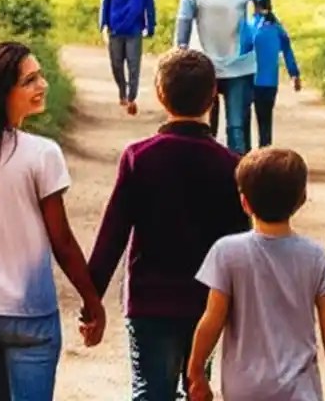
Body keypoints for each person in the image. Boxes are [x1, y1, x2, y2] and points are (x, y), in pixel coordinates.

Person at [0, 41, 107, 400]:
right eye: (29, 80)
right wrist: (92, 299)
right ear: (1, 92)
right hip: (29, 315)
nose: (42, 85)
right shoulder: (41, 154)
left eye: (40, 76)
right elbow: (62, 241)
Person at [87, 48, 249, 401]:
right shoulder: (229, 165)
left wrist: (91, 299)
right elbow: (241, 241)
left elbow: (112, 233)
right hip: (205, 304)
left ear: (160, 95)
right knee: (196, 386)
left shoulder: (139, 157)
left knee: (151, 392)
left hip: (149, 302)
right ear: (212, 96)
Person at [185, 148, 325, 401]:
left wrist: (196, 370)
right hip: (299, 389)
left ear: (244, 203)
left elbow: (212, 319)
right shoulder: (315, 256)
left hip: (244, 390)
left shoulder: (227, 252)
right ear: (302, 198)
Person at [175, 0, 270, 155]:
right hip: (204, 68)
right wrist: (180, 54)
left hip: (240, 67)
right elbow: (184, 19)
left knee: (237, 129)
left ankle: (239, 182)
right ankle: (206, 180)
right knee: (203, 129)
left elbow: (265, 14)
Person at [100, 0, 156, 116]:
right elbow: (104, 5)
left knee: (133, 66)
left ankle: (131, 98)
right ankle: (122, 90)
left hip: (134, 31)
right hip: (115, 30)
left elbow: (149, 5)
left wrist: (150, 25)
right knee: (116, 65)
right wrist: (103, 25)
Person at [241, 0, 302, 148]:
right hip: (269, 82)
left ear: (254, 7)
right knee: (265, 121)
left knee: (244, 120)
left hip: (250, 80)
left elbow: (241, 51)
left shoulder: (250, 27)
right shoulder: (277, 29)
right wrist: (294, 74)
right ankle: (265, 154)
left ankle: (245, 155)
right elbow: (287, 52)